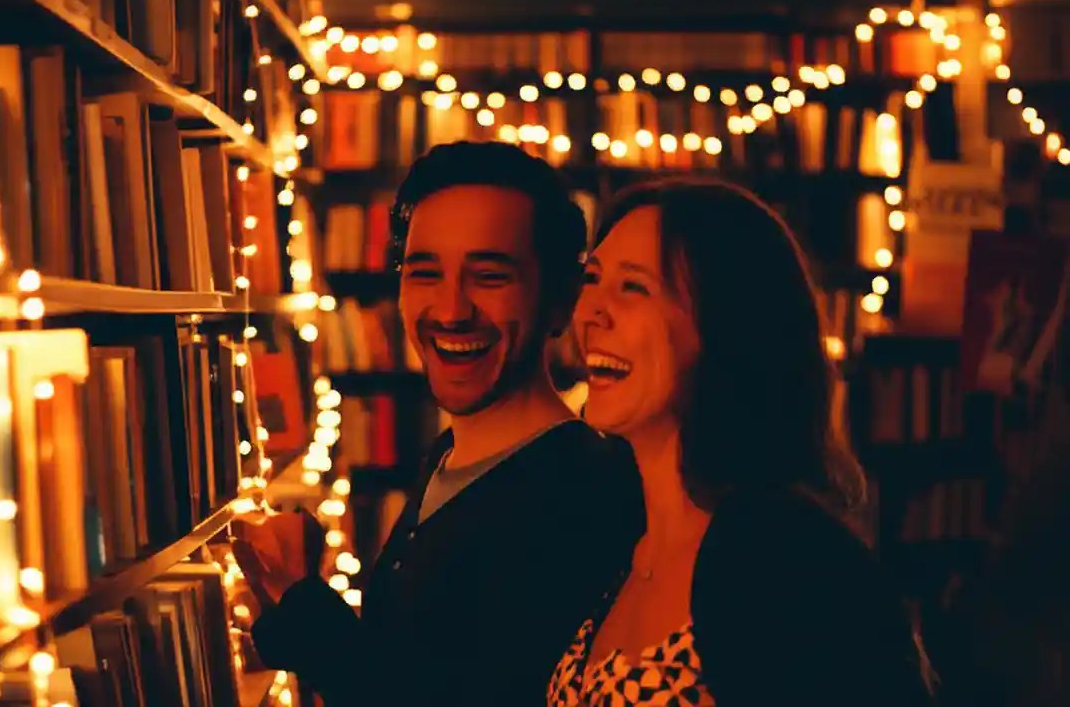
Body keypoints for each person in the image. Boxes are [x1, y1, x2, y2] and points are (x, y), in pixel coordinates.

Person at [233, 141, 645, 706]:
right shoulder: (450, 454)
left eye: (490, 276)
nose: (451, 310)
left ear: (559, 301)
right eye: (425, 274)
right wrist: (289, 594)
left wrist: (305, 605)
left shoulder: (582, 493)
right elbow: (409, 665)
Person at [547, 177, 935, 706]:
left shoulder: (784, 555)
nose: (590, 312)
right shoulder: (612, 537)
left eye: (633, 287)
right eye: (592, 279)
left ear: (724, 325)